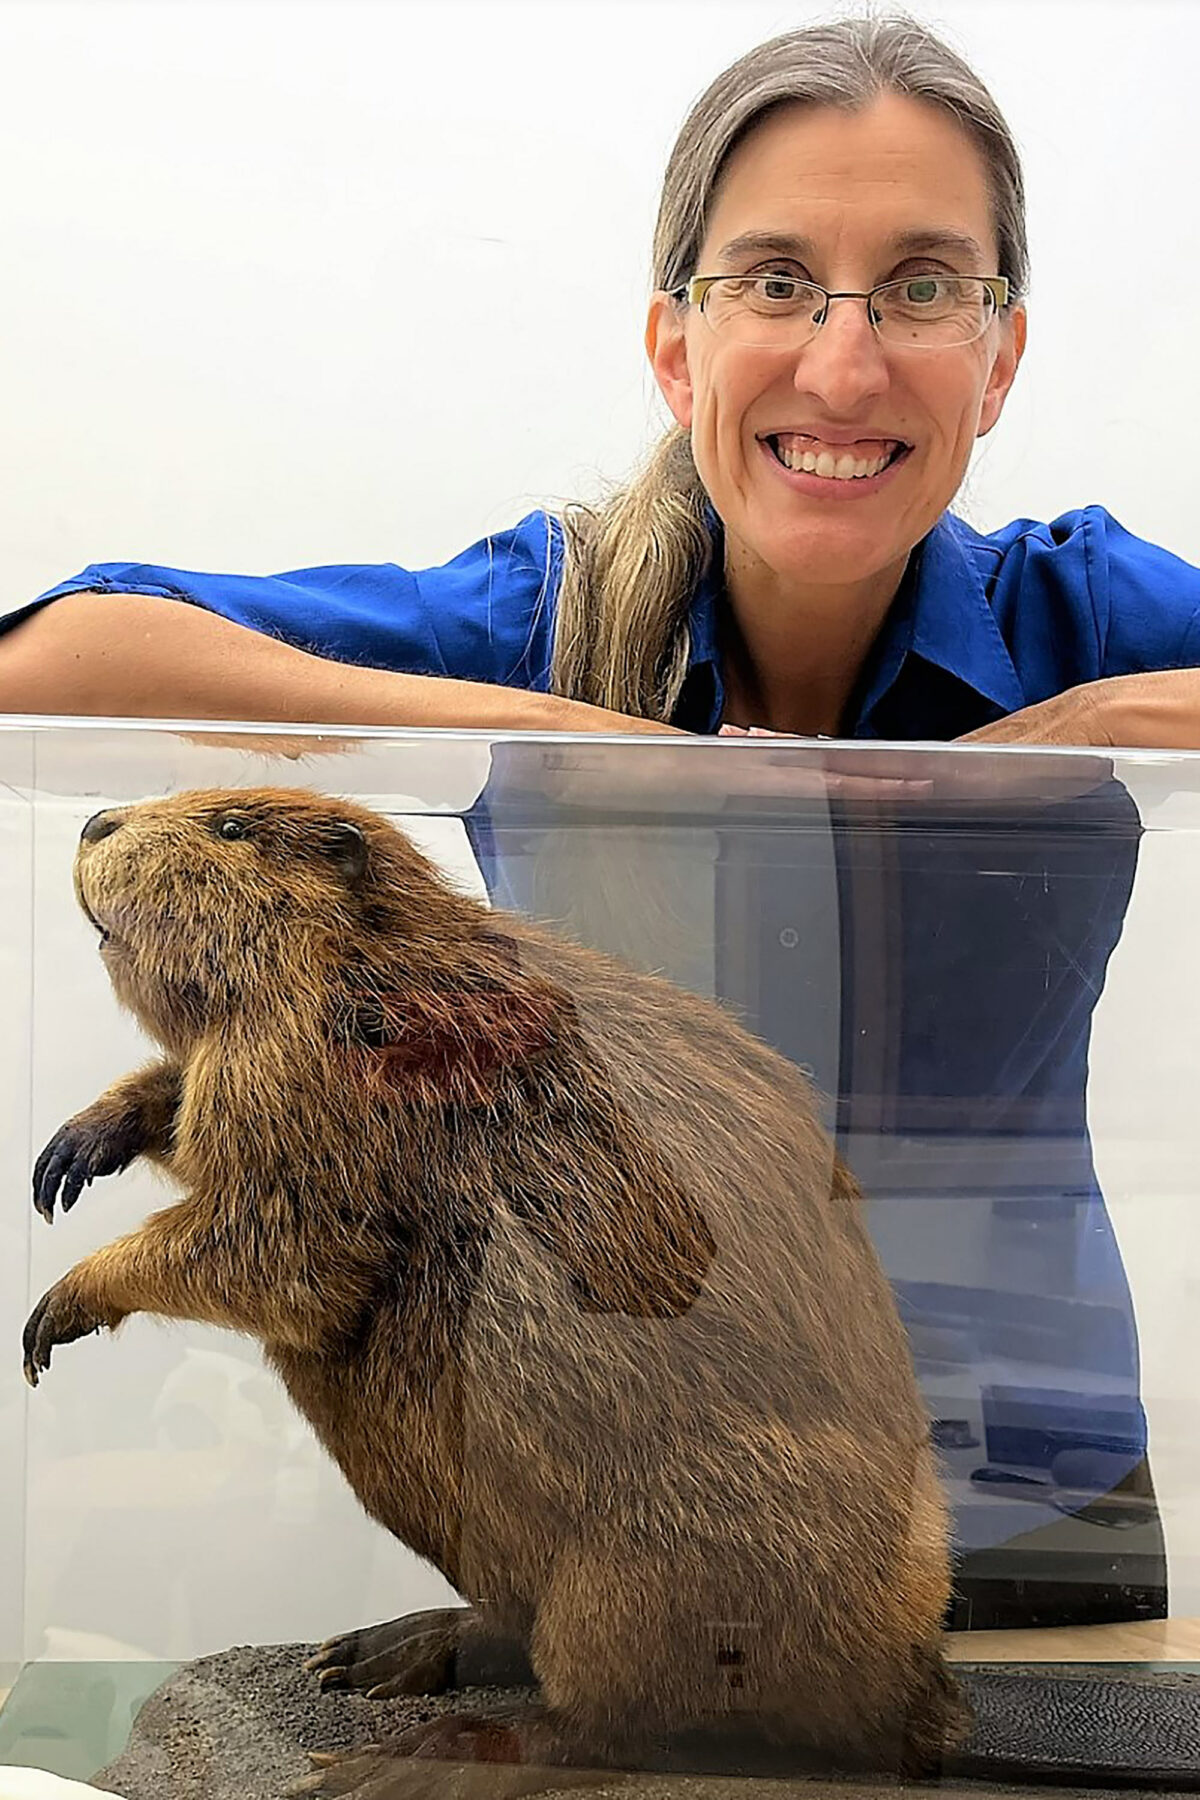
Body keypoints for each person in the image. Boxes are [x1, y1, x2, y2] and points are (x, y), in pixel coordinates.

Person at [2, 11, 1194, 1629]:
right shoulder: (546, 612)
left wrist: (1109, 726)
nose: (845, 363)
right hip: (642, 1498)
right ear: (675, 344)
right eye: (776, 282)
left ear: (1001, 355)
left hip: (1034, 1510)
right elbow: (58, 655)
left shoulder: (1078, 611)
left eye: (922, 286)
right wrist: (552, 730)